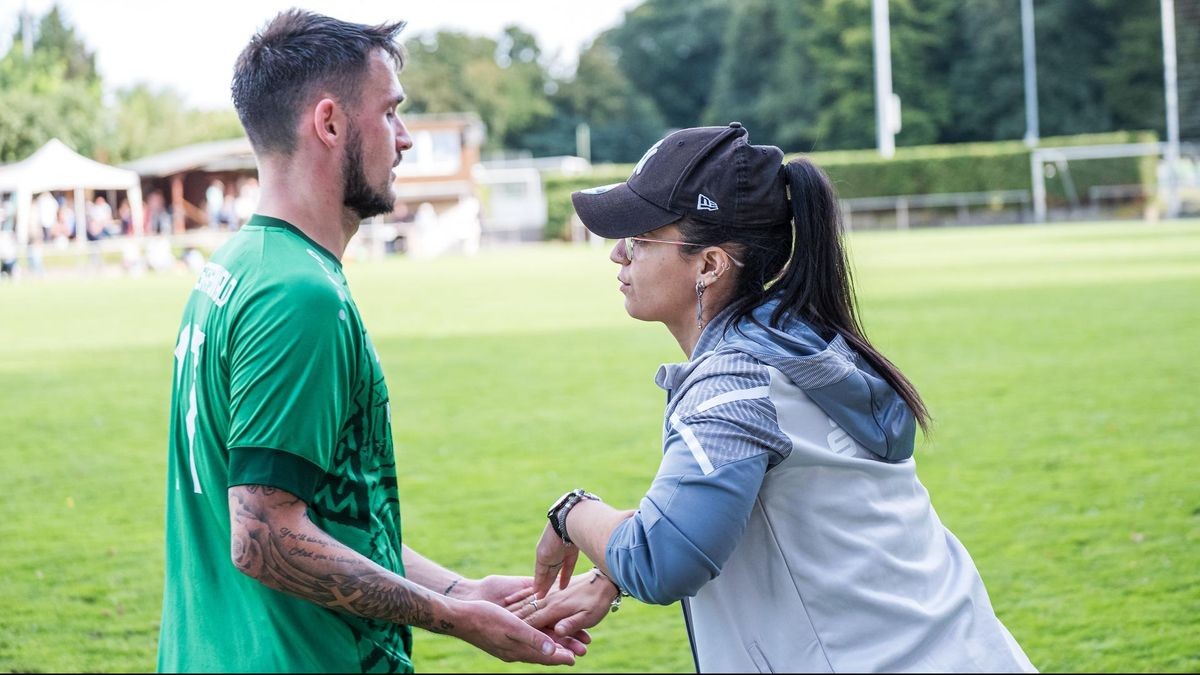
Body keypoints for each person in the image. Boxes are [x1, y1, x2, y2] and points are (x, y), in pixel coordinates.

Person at [520, 124, 1037, 673]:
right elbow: (742, 511)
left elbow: (662, 560)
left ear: (710, 265)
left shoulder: (734, 381)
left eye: (642, 237)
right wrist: (611, 570)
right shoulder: (801, 340)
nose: (618, 254)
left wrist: (572, 513)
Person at [157, 10, 582, 672]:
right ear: (329, 123)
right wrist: (454, 617)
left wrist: (460, 588)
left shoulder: (238, 266)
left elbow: (325, 512)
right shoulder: (299, 295)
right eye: (390, 114)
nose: (406, 138)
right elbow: (264, 535)